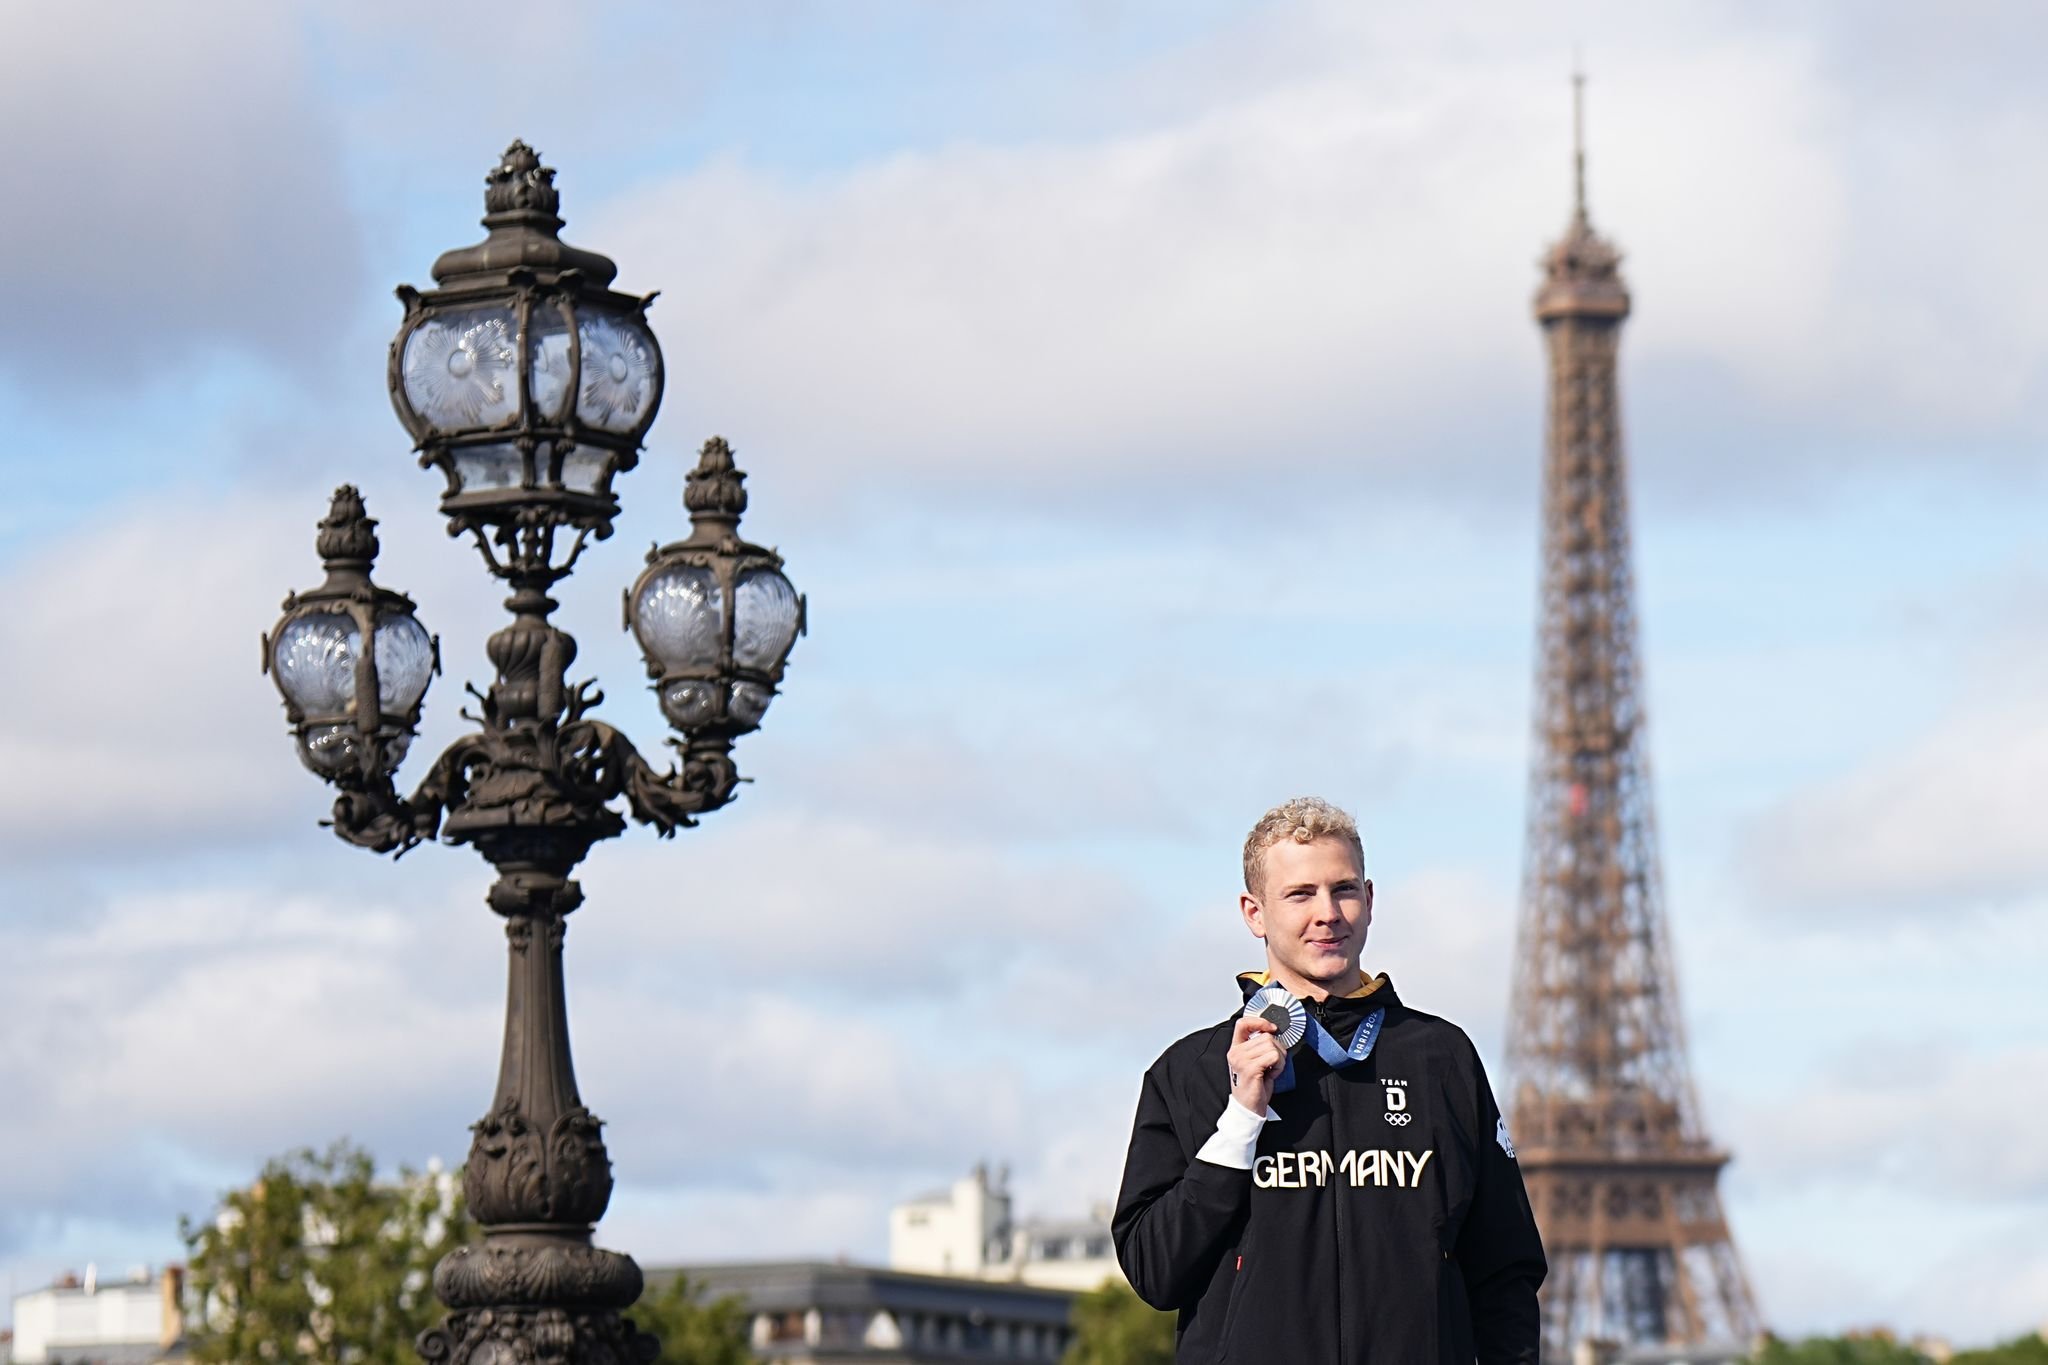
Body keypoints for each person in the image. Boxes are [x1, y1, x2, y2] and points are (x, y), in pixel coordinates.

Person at [1112, 797, 1545, 1363]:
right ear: (1254, 913)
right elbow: (1154, 1271)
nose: (1328, 913)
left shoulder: (1442, 1058)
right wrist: (1239, 1121)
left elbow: (1504, 1271)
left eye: (1343, 890)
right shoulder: (1190, 1070)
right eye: (1299, 894)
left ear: (1369, 900)